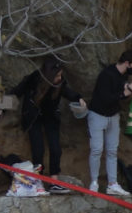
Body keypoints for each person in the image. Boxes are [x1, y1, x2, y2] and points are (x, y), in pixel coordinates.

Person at [9, 57, 85, 194]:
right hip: (33, 116)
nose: (59, 78)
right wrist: (2, 108)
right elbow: (18, 90)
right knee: (38, 149)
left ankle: (54, 181)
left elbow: (68, 92)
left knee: (56, 149)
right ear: (49, 75)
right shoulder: (35, 78)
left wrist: (79, 98)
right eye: (57, 75)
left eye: (60, 75)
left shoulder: (60, 83)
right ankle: (38, 181)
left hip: (50, 116)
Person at [86, 49, 132, 195]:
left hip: (113, 116)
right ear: (127, 63)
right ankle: (94, 182)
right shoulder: (107, 74)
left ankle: (112, 184)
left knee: (112, 150)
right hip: (97, 114)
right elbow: (106, 98)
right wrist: (124, 93)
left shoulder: (123, 76)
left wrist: (127, 91)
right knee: (97, 149)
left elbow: (119, 97)